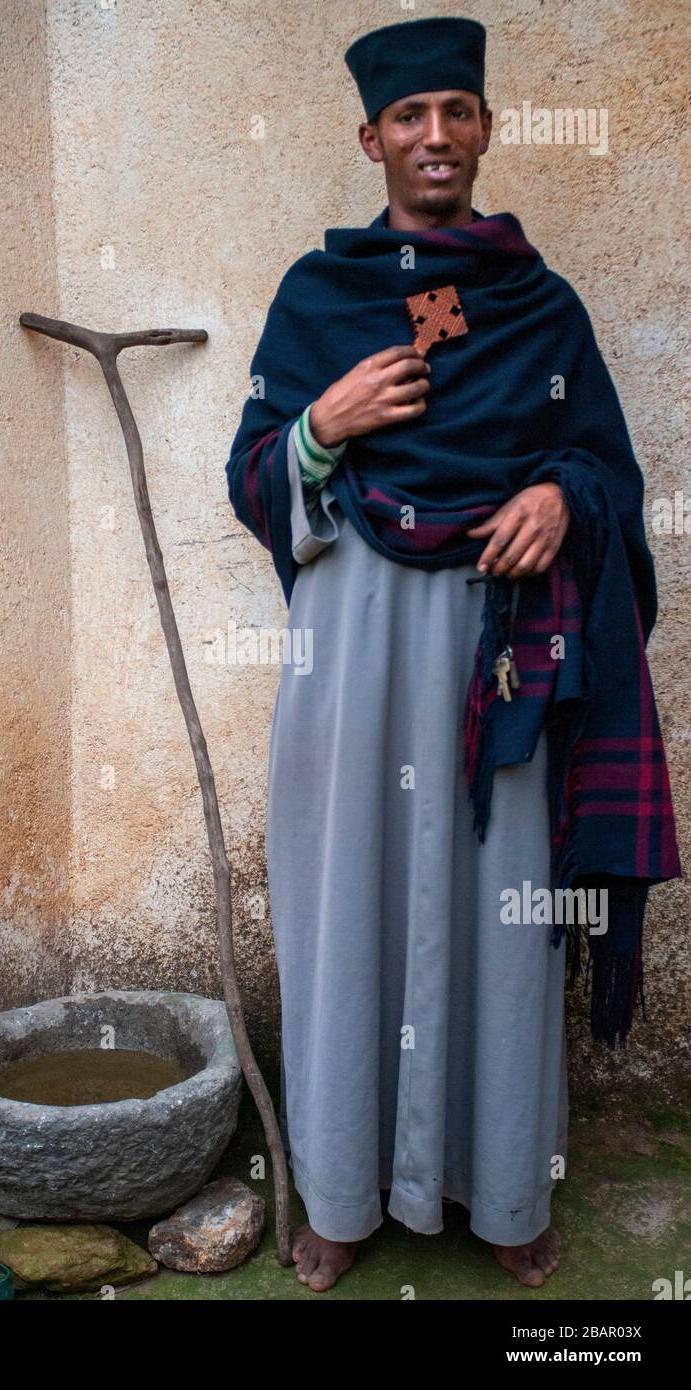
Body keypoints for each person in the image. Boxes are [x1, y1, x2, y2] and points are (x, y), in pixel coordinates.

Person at [225, 16, 680, 1293]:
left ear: (482, 131)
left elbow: (601, 464)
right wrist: (321, 423)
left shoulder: (541, 308)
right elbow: (251, 474)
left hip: (502, 656)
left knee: (500, 914)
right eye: (409, 117)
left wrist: (563, 503)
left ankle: (503, 1190)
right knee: (343, 904)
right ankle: (338, 1191)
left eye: (457, 113)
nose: (435, 136)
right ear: (370, 139)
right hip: (354, 642)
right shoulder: (318, 301)